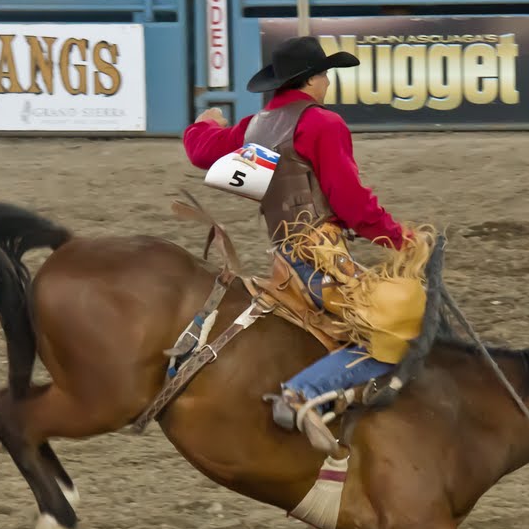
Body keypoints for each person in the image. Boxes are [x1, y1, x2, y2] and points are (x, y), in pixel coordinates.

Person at [182, 36, 426, 454]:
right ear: (312, 80)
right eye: (325, 74)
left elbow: (203, 152)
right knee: (394, 332)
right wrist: (402, 238)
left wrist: (203, 124)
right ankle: (302, 392)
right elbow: (352, 203)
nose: (328, 83)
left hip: (283, 253)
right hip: (319, 258)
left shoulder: (257, 127)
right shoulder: (322, 124)